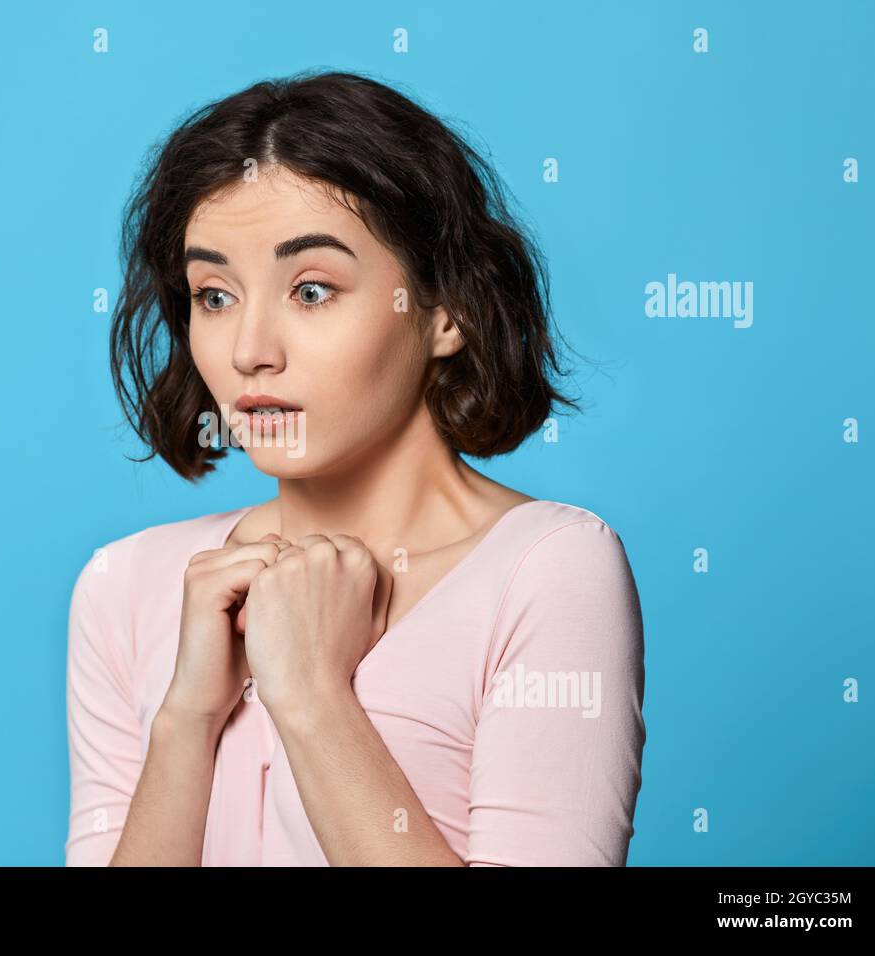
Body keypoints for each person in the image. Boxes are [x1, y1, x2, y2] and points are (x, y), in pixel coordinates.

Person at [66, 69, 646, 866]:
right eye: (214, 295)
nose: (249, 352)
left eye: (311, 290)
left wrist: (310, 697)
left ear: (447, 312)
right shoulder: (126, 586)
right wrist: (186, 722)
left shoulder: (546, 570)